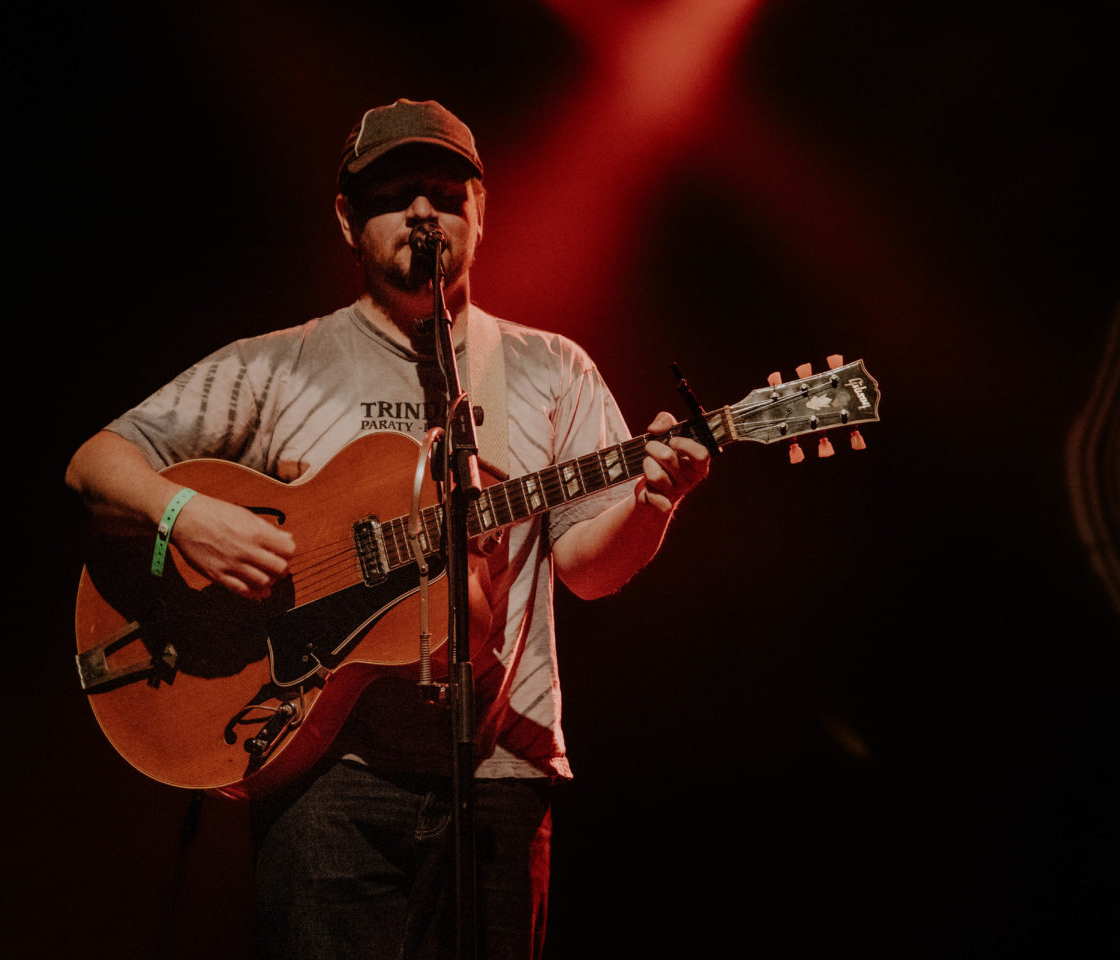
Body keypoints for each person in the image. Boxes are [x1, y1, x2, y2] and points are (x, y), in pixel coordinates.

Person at [64, 98, 710, 959]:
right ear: (346, 219)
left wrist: (656, 498)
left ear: (481, 211)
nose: (421, 212)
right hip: (327, 779)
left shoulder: (551, 368)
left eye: (444, 192)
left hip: (502, 777)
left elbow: (588, 569)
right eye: (392, 194)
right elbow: (95, 463)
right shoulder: (276, 364)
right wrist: (187, 515)